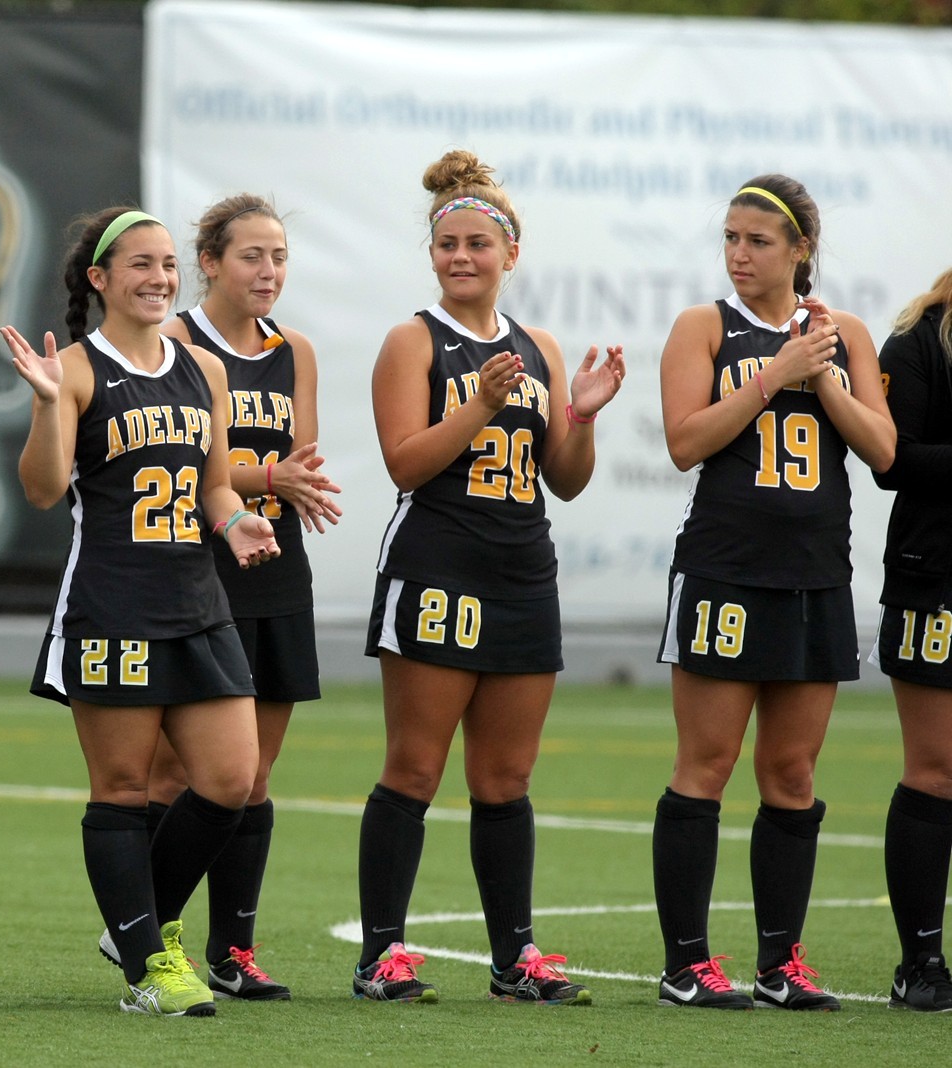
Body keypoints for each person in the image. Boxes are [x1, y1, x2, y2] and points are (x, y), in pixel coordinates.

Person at [356, 150, 622, 1005]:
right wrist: (474, 405)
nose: (461, 257)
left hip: (521, 575)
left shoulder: (537, 344)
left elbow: (566, 478)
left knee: (505, 781)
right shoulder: (413, 340)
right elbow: (405, 464)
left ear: (512, 251)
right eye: (447, 244)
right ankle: (381, 956)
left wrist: (578, 411)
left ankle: (516, 959)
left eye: (478, 243)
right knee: (415, 772)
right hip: (438, 570)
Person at [0, 207, 278, 1017]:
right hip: (111, 604)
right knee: (121, 789)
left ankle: (135, 926)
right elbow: (43, 489)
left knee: (231, 780)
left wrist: (234, 521)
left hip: (198, 600)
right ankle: (148, 968)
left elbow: (215, 483)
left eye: (167, 265)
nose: (159, 278)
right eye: (139, 265)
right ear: (100, 280)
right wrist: (49, 405)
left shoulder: (205, 370)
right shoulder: (79, 368)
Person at [651, 175, 894, 1011]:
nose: (740, 254)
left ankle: (779, 964)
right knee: (707, 766)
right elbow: (685, 441)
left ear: (800, 251)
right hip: (726, 571)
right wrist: (771, 375)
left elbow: (884, 449)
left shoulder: (843, 332)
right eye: (730, 238)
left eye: (758, 240)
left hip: (816, 577)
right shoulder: (703, 326)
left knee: (792, 774)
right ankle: (686, 962)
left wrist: (822, 378)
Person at [121, 194, 340, 1001]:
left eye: (279, 257)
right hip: (198, 567)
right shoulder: (175, 341)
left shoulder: (295, 351)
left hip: (277, 566)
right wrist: (265, 478)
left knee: (254, 775)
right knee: (178, 771)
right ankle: (147, 931)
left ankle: (233, 950)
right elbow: (188, 460)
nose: (269, 271)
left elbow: (299, 458)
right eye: (252, 256)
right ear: (208, 262)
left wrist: (293, 484)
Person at [870, 267, 952, 1011]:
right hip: (939, 579)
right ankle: (920, 964)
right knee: (937, 769)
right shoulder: (919, 339)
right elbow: (891, 458)